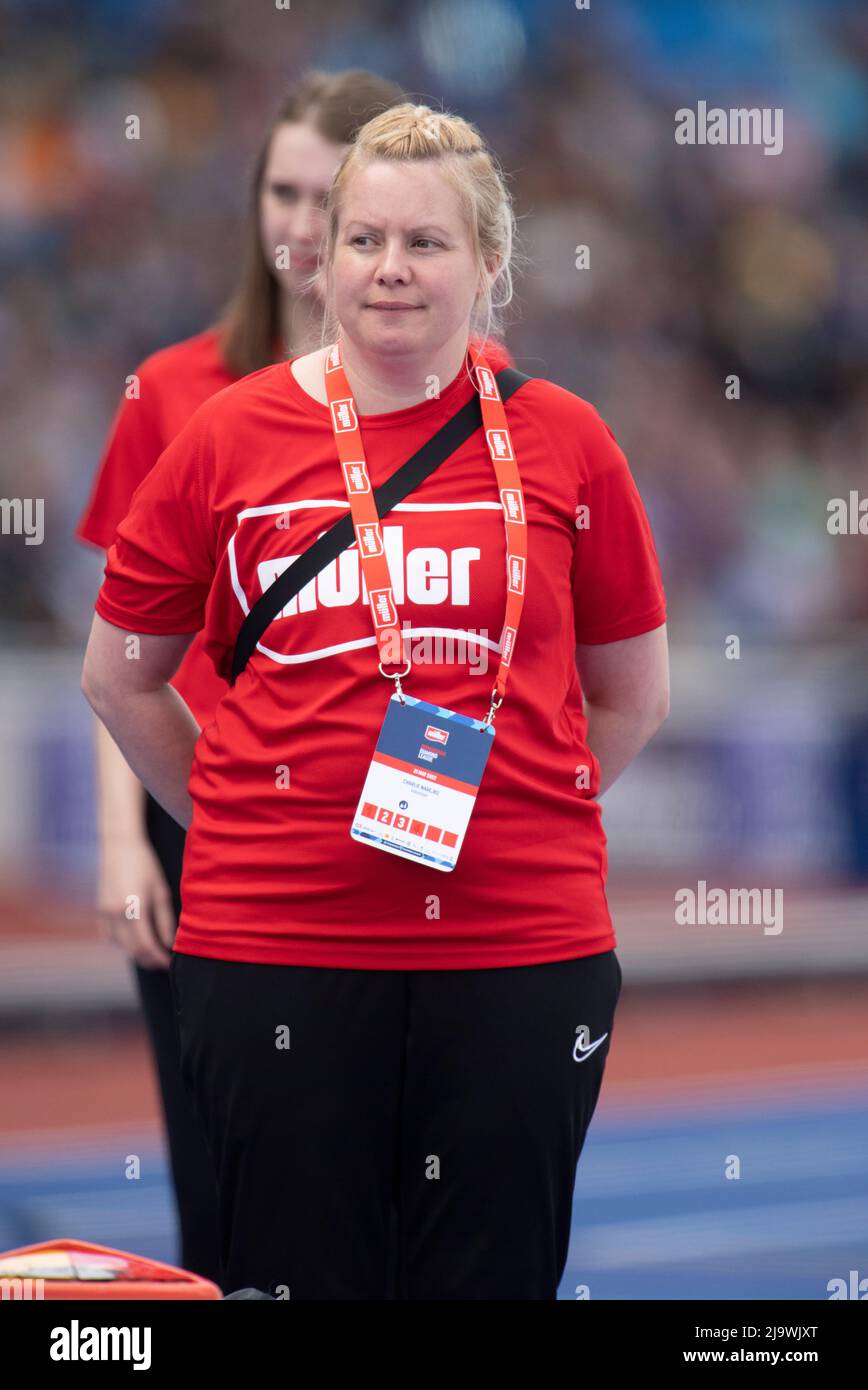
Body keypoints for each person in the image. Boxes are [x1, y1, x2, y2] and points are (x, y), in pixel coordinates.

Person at [81, 101, 669, 1300]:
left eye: (426, 243)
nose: (389, 270)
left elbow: (629, 695)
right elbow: (121, 671)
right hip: (274, 949)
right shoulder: (224, 434)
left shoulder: (567, 441)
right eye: (362, 240)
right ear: (321, 256)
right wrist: (246, 817)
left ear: (489, 264)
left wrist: (514, 807)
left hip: (518, 949)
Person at [74, 69, 410, 1286]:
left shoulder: (448, 387)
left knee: (390, 1166)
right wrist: (127, 844)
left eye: (332, 196)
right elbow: (121, 649)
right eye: (282, 190)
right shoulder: (171, 391)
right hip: (208, 827)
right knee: (224, 1164)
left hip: (385, 827)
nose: (302, 224)